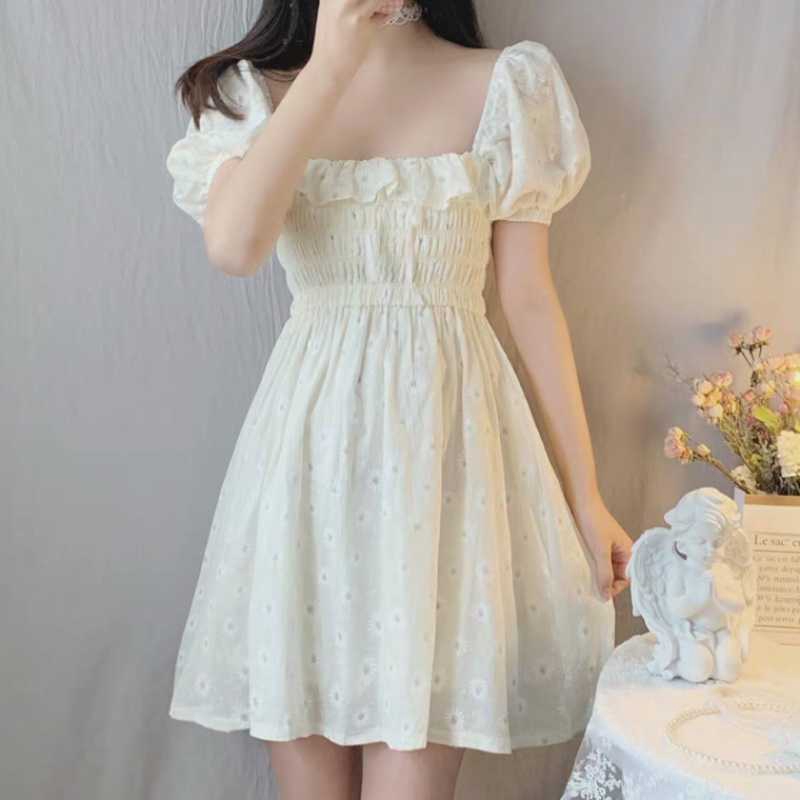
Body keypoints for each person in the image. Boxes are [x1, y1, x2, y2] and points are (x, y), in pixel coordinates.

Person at [165, 1, 634, 798]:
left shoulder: (507, 84)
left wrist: (585, 497)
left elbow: (527, 298)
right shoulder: (250, 92)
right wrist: (329, 66)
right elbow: (236, 248)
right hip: (308, 470)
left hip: (444, 470)